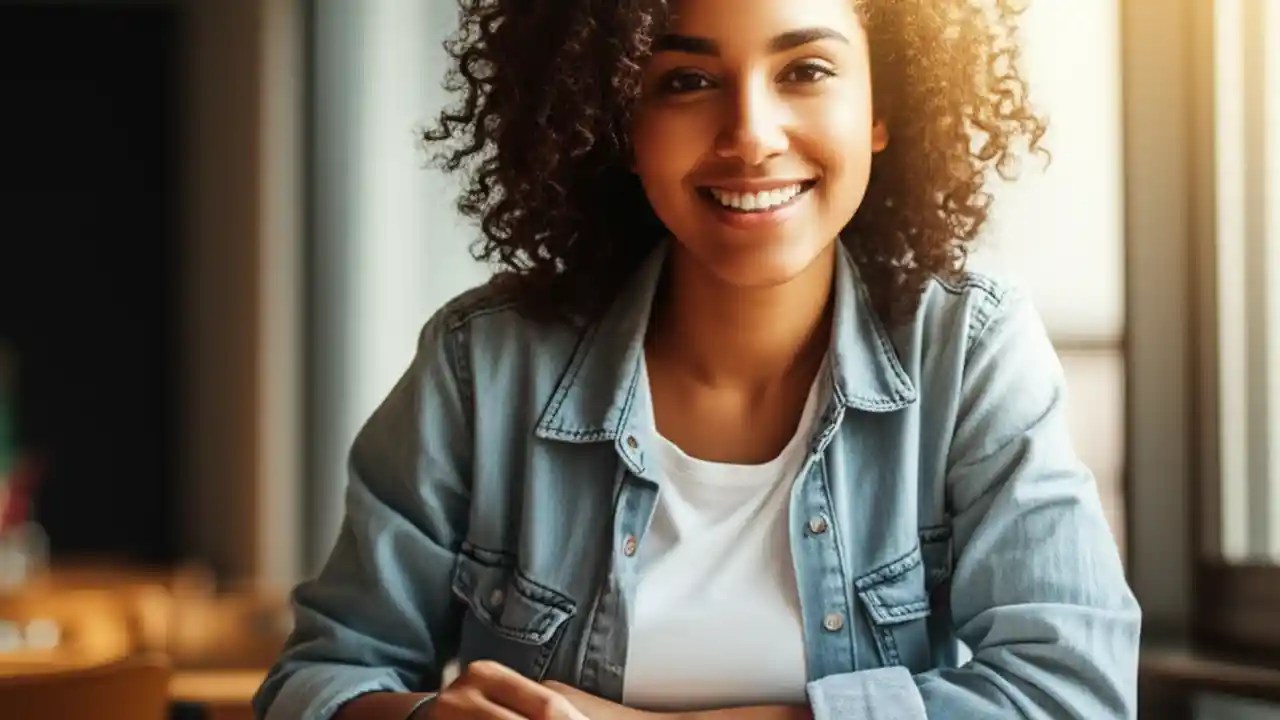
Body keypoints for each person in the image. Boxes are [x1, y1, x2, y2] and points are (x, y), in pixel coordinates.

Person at [253, 0, 1141, 718]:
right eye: (686, 80)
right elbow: (317, 681)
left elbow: (1070, 693)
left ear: (882, 108)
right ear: (618, 122)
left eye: (807, 70)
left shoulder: (968, 349)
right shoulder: (481, 366)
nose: (750, 133)